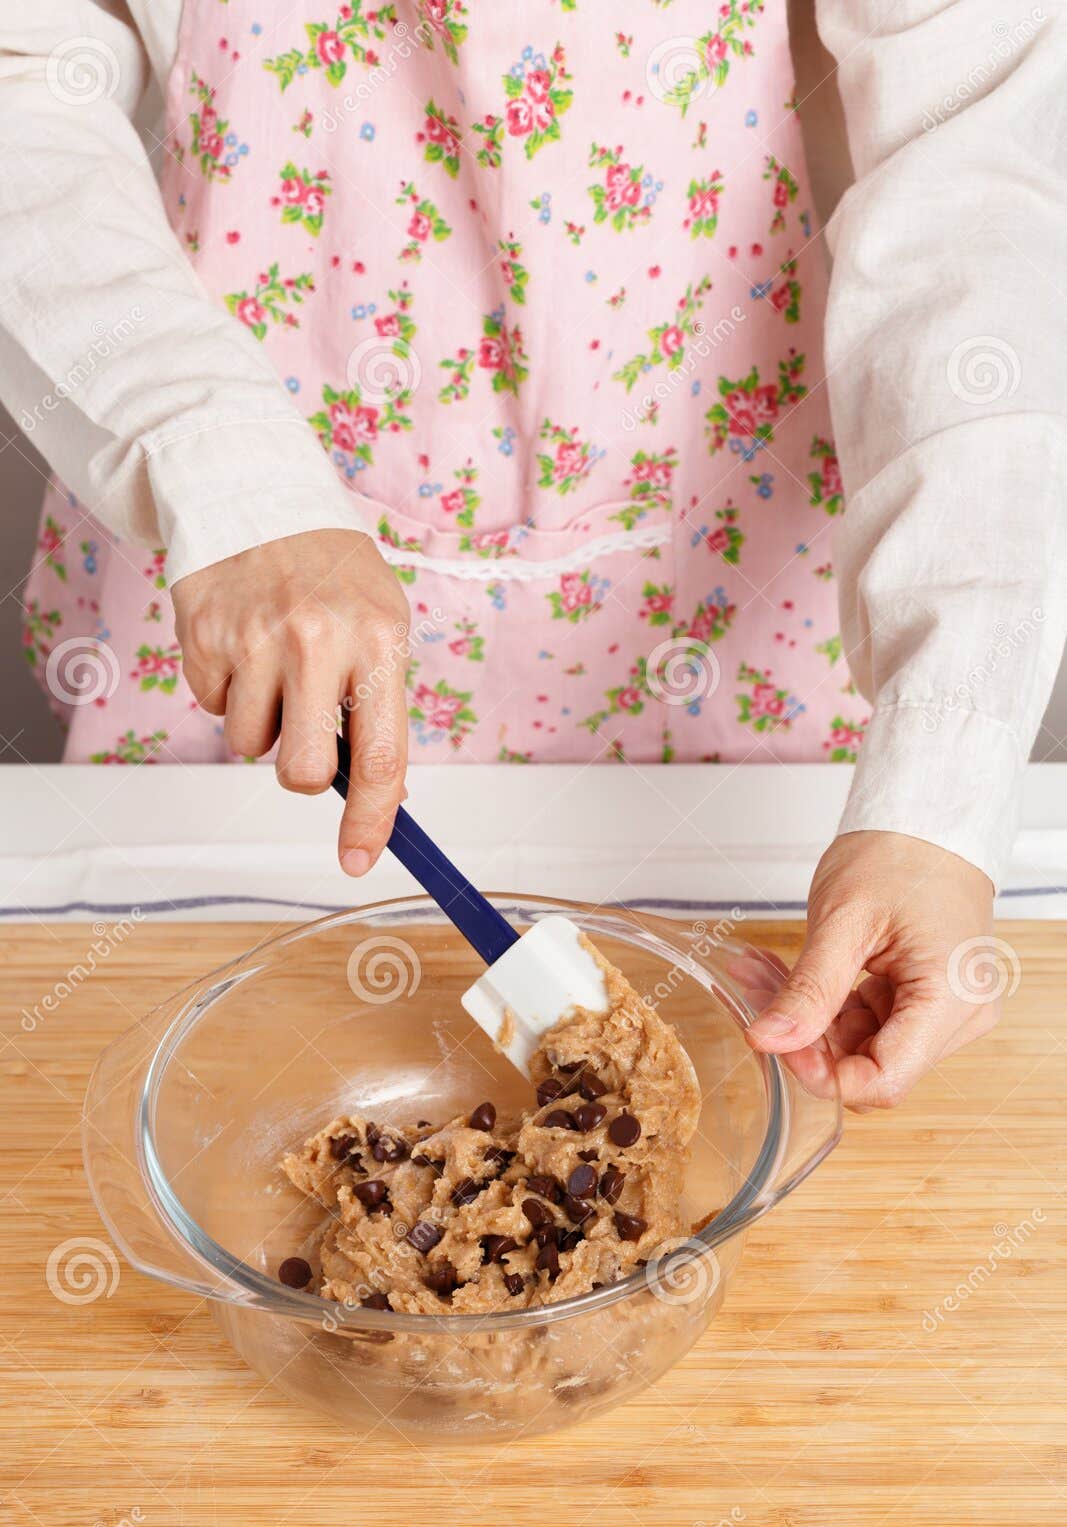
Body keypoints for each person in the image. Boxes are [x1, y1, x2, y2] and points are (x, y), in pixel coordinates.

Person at [2, 1, 1063, 1110]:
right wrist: (212, 463)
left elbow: (968, 162)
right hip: (234, 565)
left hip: (728, 604)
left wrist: (939, 779)